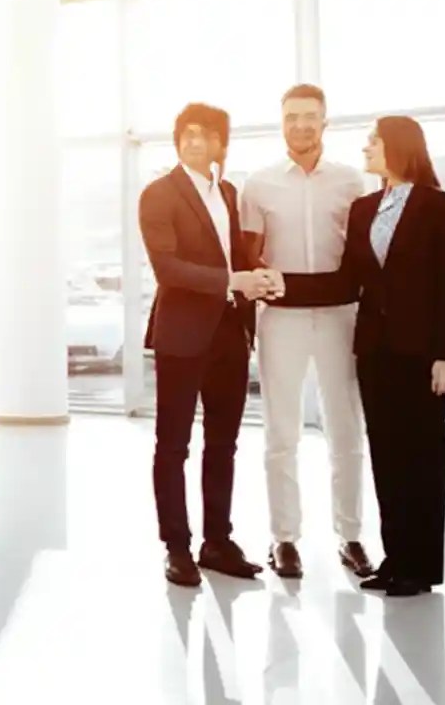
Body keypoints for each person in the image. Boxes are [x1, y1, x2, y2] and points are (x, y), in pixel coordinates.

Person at [273, 115, 445, 597]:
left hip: (421, 353)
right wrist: (278, 286)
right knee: (386, 457)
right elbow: (345, 282)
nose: (365, 149)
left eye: (373, 142)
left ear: (398, 147)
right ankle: (396, 558)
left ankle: (421, 568)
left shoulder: (440, 206)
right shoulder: (363, 208)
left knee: (422, 459)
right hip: (375, 351)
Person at [138, 102, 279, 587]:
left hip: (228, 333)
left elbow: (235, 256)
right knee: (172, 444)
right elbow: (167, 269)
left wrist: (258, 276)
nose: (193, 140)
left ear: (221, 143)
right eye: (186, 133)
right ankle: (176, 546)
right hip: (181, 333)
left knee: (223, 443)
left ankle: (217, 541)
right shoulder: (158, 194)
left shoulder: (228, 192)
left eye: (204, 134)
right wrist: (233, 279)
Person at [239, 84, 374, 579]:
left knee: (345, 428)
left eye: (309, 117)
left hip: (341, 315)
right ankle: (284, 539)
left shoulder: (350, 182)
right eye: (292, 116)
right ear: (282, 123)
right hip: (282, 318)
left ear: (324, 122)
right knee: (281, 432)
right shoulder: (258, 184)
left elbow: (361, 253)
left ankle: (352, 536)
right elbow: (249, 254)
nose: (300, 125)